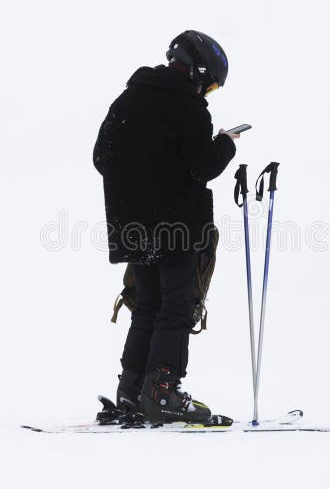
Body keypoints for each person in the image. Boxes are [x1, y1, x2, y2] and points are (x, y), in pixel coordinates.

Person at [93, 30, 239, 424]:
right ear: (198, 72)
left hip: (132, 226)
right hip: (174, 226)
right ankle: (161, 392)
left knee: (148, 305)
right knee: (176, 306)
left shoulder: (128, 98)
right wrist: (225, 143)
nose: (207, 92)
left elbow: (101, 157)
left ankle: (132, 389)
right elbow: (203, 165)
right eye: (210, 84)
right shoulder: (188, 106)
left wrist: (141, 178)